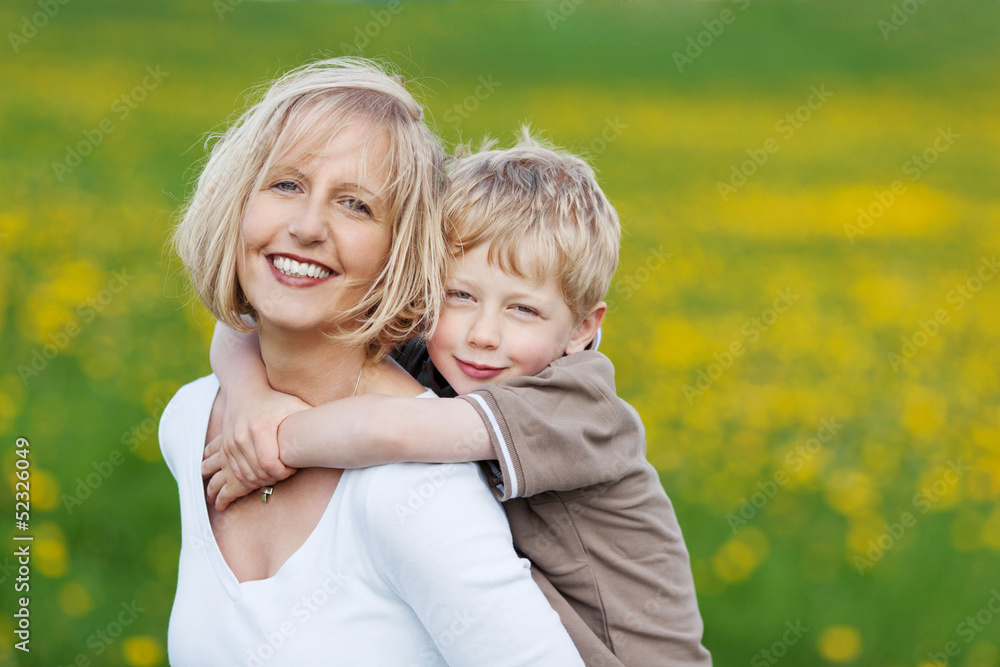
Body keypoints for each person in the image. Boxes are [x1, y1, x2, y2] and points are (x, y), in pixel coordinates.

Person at [205, 132, 713, 666]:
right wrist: (249, 399)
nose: (483, 334)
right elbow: (244, 326)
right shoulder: (442, 352)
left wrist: (270, 444)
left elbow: (393, 430)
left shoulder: (576, 406)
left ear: (582, 329)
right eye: (460, 295)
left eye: (523, 310)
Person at [160, 59, 584, 666]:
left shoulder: (416, 489)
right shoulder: (192, 420)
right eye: (286, 185)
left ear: (402, 252)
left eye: (356, 205)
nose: (308, 226)